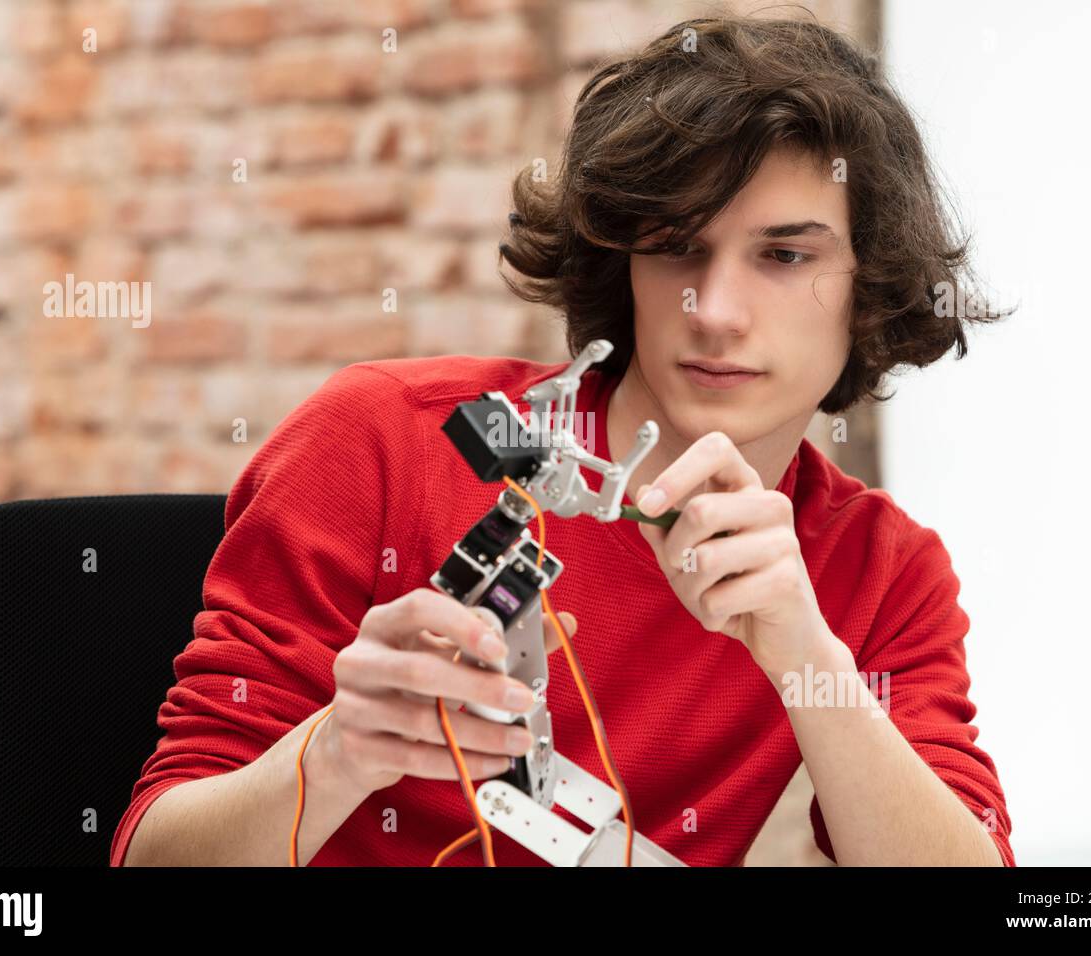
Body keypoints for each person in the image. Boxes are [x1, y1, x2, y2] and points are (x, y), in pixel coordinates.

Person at [113, 14, 1015, 867]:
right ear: (622, 264)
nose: (715, 311)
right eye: (676, 246)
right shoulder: (382, 438)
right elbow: (154, 854)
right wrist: (339, 751)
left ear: (870, 285)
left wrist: (810, 661)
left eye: (784, 256)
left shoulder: (881, 571)